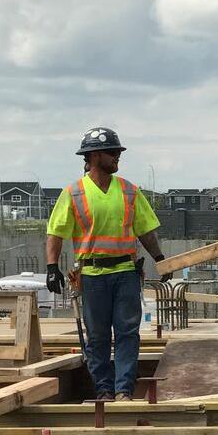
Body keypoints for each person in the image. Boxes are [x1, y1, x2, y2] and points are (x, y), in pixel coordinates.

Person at [44, 128, 169, 401]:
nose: (117, 158)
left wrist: (160, 258)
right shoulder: (74, 193)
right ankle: (103, 390)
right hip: (92, 275)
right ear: (95, 155)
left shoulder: (128, 191)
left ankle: (123, 390)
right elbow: (55, 231)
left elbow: (145, 231)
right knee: (98, 337)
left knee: (127, 333)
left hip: (125, 272)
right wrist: (52, 267)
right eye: (113, 153)